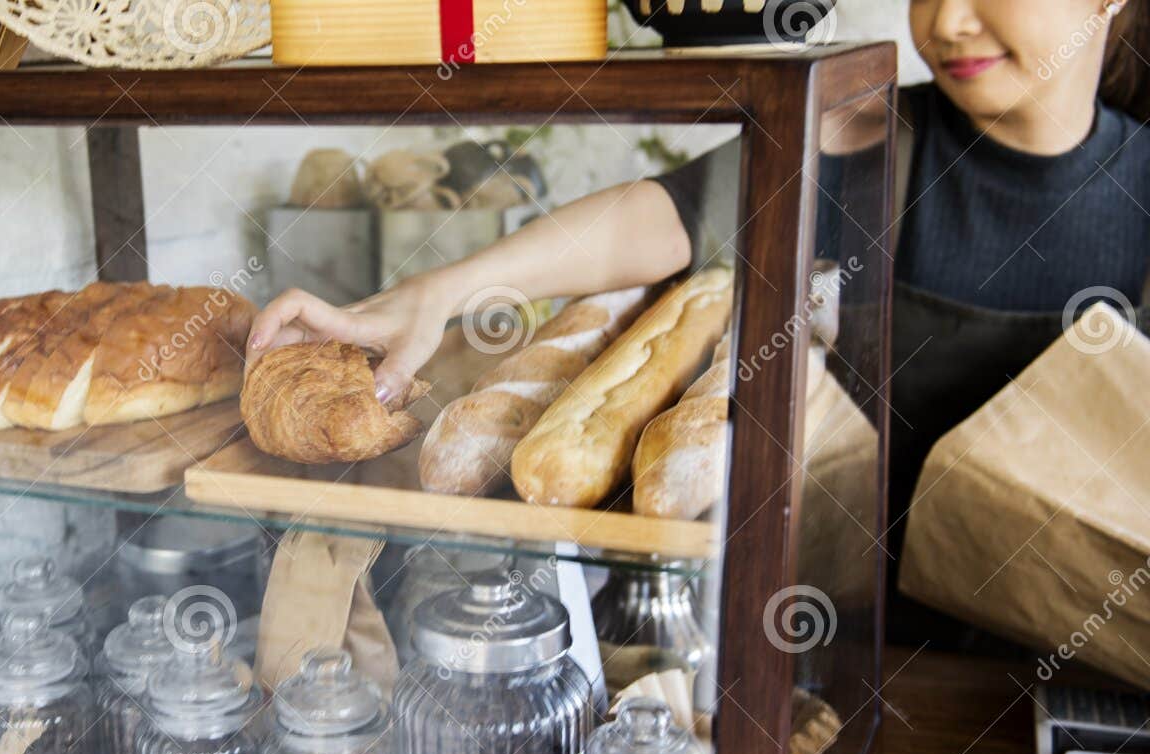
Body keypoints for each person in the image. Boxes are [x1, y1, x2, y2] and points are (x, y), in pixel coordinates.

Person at [247, 0, 1150, 647]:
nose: (947, 21)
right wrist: (440, 291)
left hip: (1088, 683)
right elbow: (665, 216)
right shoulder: (871, 135)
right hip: (847, 661)